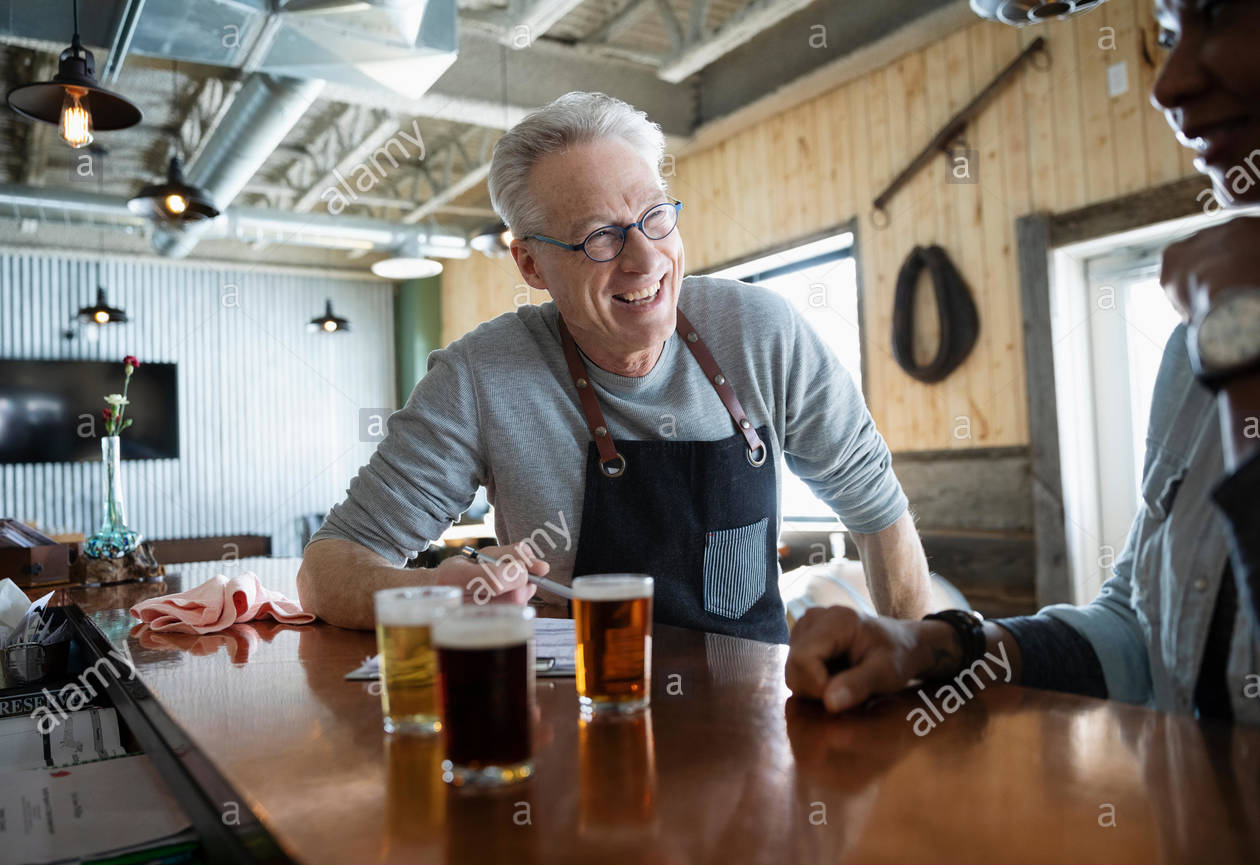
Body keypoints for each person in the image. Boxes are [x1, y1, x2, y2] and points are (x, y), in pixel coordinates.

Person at [299, 92, 935, 636]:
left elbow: (878, 513)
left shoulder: (765, 334)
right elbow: (327, 568)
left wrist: (909, 671)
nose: (645, 260)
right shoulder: (480, 377)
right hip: (578, 717)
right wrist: (444, 597)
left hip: (754, 717)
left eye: (654, 217)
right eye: (599, 236)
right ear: (529, 265)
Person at [787, 0, 1260, 724]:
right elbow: (1136, 630)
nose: (1166, 83)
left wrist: (1241, 333)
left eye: (1219, 14)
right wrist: (938, 645)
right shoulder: (1194, 349)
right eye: (1165, 33)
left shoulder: (1229, 327)